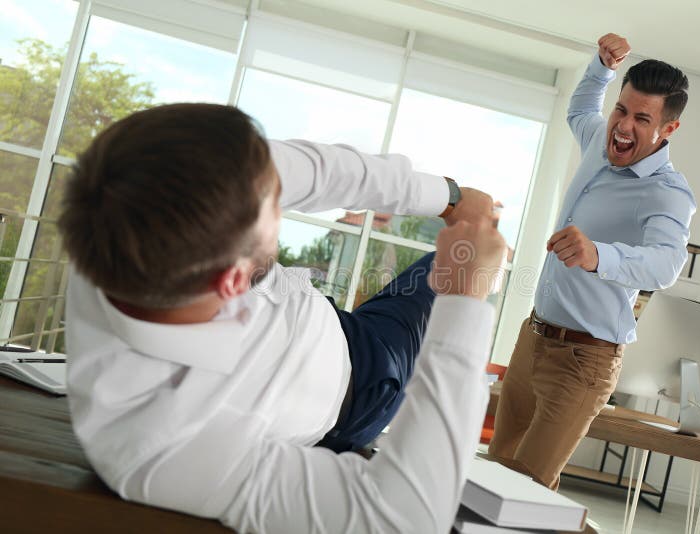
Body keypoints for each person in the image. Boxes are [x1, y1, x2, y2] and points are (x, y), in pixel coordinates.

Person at [59, 102, 507, 532]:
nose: (287, 195)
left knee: (465, 243)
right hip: (360, 391)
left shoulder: (150, 188)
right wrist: (467, 298)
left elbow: (324, 171)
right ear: (237, 285)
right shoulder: (156, 447)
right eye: (278, 208)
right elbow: (401, 518)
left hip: (332, 324)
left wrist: (450, 197)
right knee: (469, 257)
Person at [489, 33, 697, 491]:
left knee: (524, 489)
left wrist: (597, 254)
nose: (622, 126)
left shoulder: (667, 192)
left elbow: (665, 265)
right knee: (495, 472)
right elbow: (581, 110)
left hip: (584, 359)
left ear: (669, 128)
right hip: (534, 338)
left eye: (642, 118)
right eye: (622, 109)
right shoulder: (598, 143)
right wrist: (601, 67)